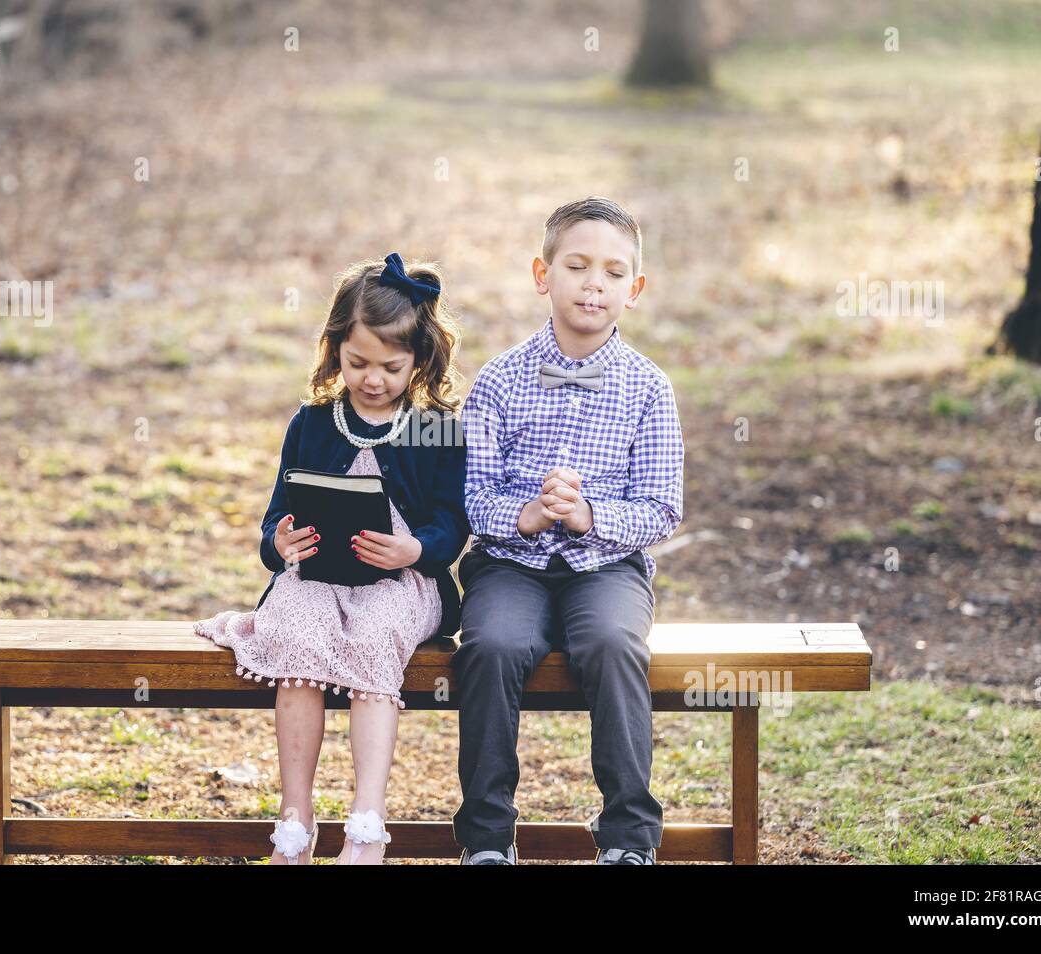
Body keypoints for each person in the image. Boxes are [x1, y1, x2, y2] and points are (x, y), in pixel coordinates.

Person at [193, 252, 468, 865]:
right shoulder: (313, 421)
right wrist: (280, 544)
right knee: (296, 634)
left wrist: (417, 548)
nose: (373, 379)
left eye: (392, 367)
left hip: (401, 580)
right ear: (335, 349)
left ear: (420, 360)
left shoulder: (435, 426)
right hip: (318, 573)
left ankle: (366, 826)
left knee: (375, 635)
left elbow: (455, 521)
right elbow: (274, 519)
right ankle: (296, 820)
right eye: (357, 362)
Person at [453, 196, 685, 865]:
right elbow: (471, 496)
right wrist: (524, 516)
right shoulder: (499, 381)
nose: (594, 283)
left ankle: (628, 837)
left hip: (606, 565)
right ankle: (487, 839)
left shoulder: (648, 388)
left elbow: (663, 506)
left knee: (613, 643)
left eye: (613, 272)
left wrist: (592, 517)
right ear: (542, 273)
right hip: (510, 564)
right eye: (577, 266)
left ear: (633, 290)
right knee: (493, 644)